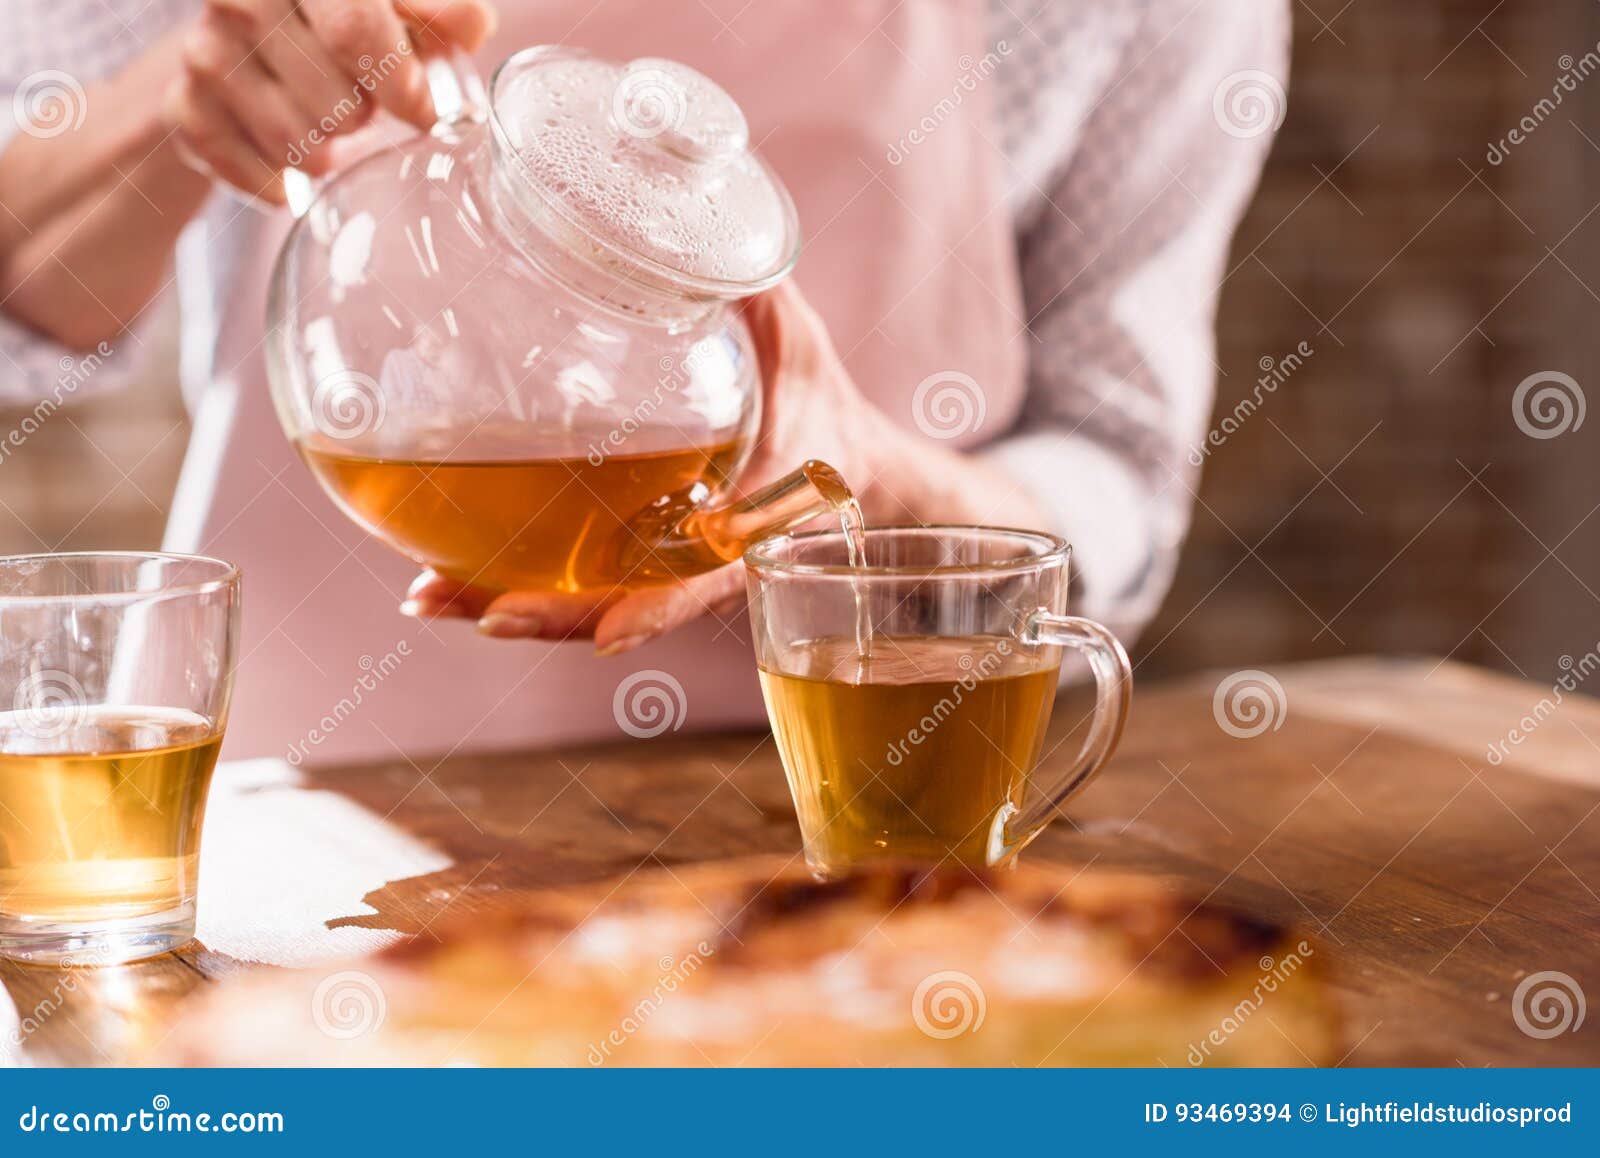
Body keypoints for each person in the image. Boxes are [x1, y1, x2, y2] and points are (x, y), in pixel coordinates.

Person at [0, 0, 1288, 763]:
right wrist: (181, 97)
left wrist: (883, 489)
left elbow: (1117, 478)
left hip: (851, 833)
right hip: (312, 821)